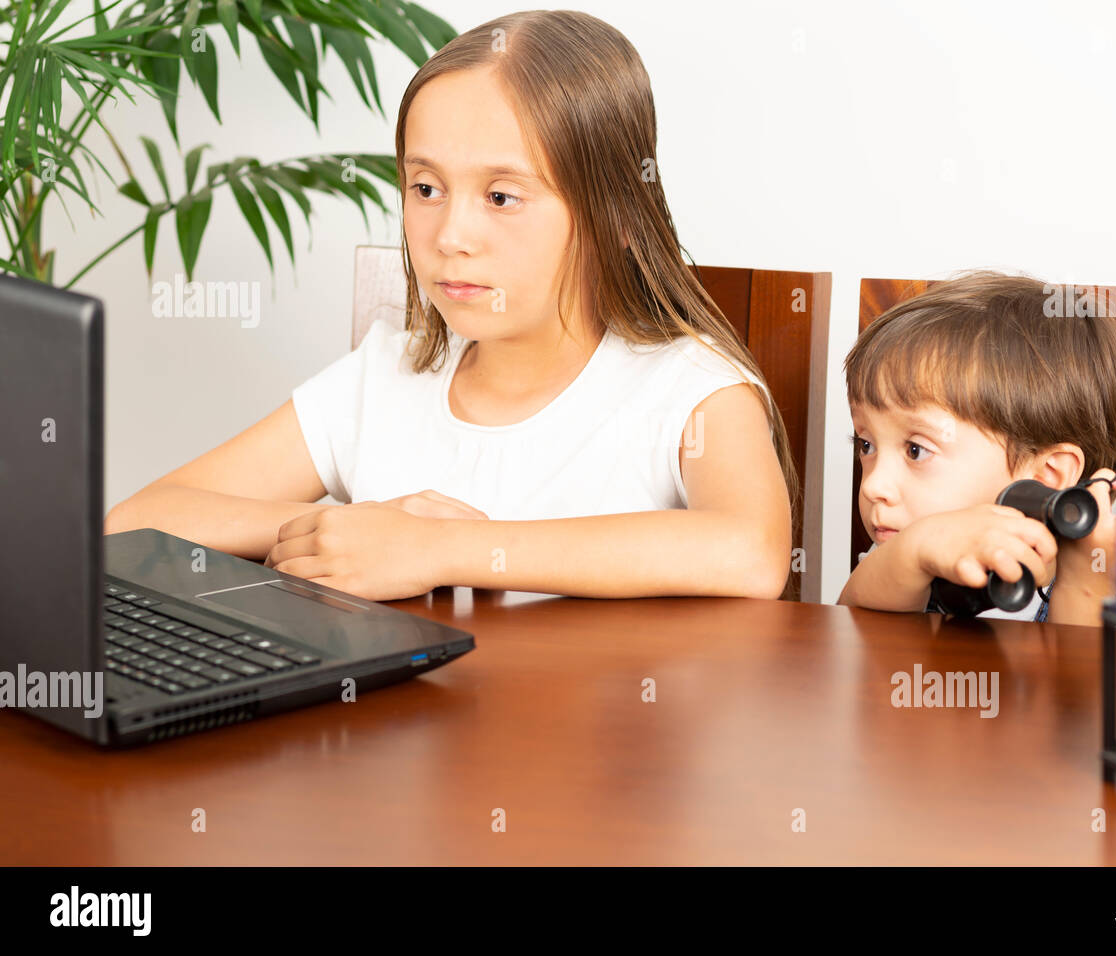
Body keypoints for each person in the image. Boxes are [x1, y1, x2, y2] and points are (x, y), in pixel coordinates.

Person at [105, 11, 796, 602]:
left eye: (501, 196)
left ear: (616, 214)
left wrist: (441, 547)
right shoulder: (383, 375)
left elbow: (751, 552)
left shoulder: (689, 391)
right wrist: (367, 526)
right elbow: (137, 520)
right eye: (426, 188)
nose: (450, 237)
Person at [836, 272, 1116, 626]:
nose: (873, 486)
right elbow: (848, 631)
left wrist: (1085, 580)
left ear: (1047, 476)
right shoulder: (905, 546)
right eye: (866, 444)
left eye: (916, 450)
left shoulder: (1098, 572)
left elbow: (1075, 678)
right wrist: (913, 552)